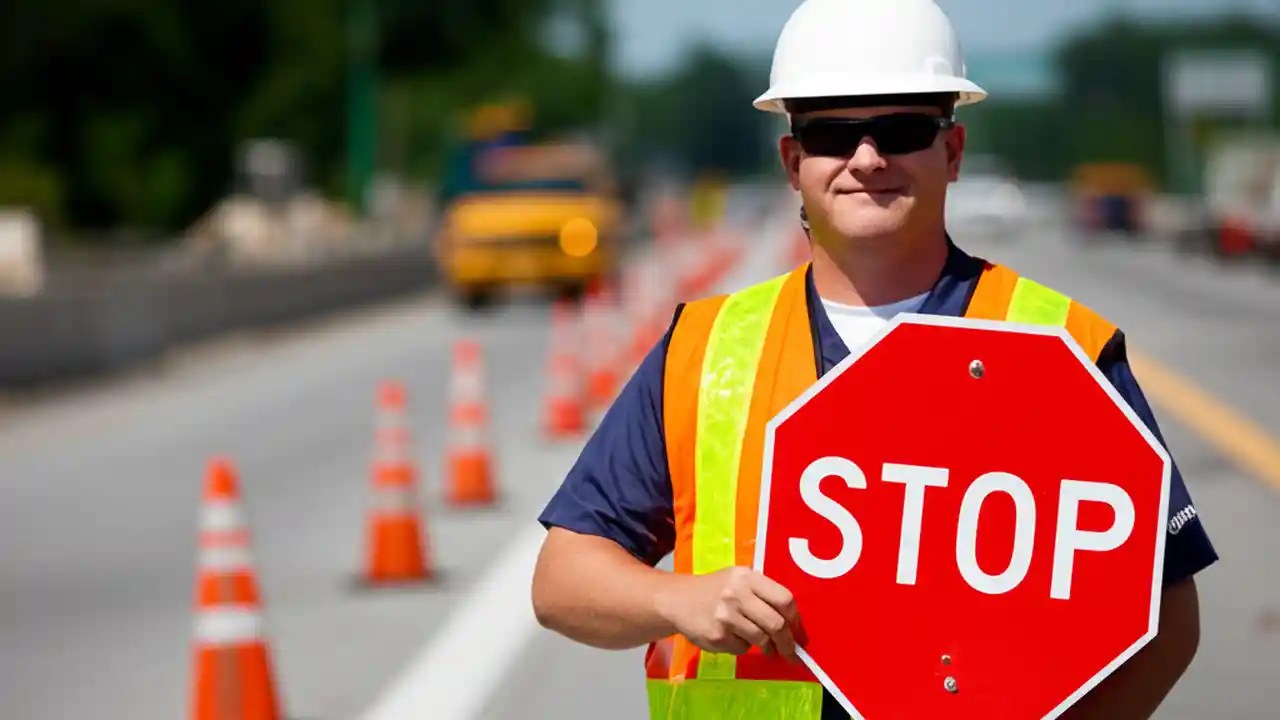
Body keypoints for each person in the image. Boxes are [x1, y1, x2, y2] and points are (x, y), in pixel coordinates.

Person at [531, 1, 1217, 717]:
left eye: (901, 130)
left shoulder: (1061, 350)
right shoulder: (707, 353)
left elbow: (1166, 620)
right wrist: (675, 598)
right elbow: (563, 579)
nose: (867, 158)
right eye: (833, 134)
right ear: (793, 163)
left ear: (952, 152)